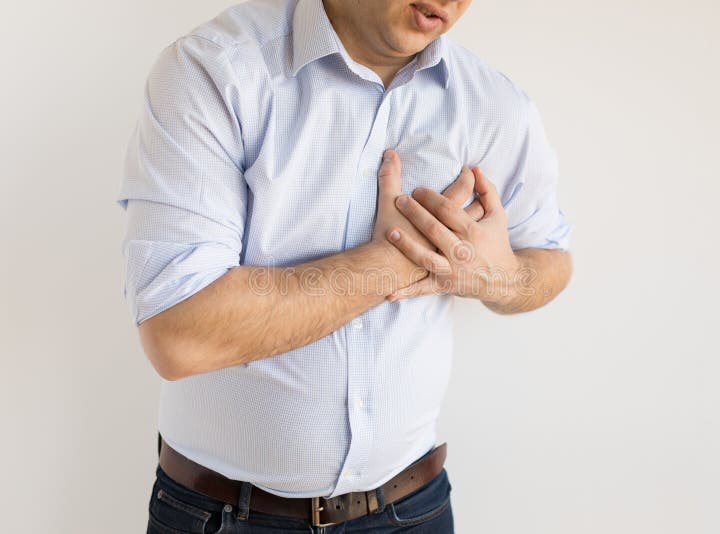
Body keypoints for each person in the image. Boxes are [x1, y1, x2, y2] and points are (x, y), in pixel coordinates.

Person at [117, 0, 574, 531]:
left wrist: (497, 276)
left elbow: (550, 256)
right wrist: (393, 263)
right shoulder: (213, 70)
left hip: (415, 510)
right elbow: (179, 335)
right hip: (222, 515)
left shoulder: (494, 105)